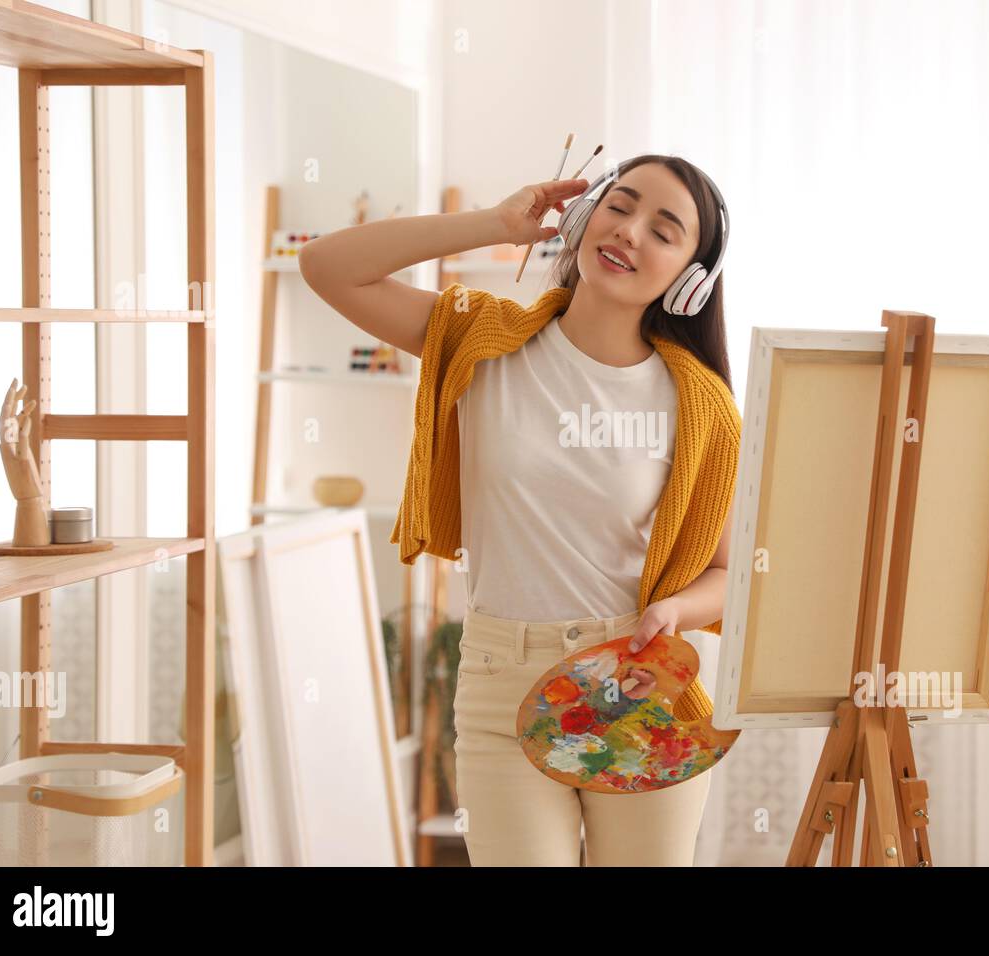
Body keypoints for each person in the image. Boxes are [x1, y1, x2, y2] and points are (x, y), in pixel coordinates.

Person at [300, 154, 739, 866]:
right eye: (619, 206)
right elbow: (326, 266)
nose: (628, 232)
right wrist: (495, 224)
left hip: (636, 678)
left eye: (664, 230)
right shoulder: (480, 339)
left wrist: (675, 613)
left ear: (692, 278)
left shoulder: (700, 403)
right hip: (502, 683)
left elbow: (726, 572)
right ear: (583, 215)